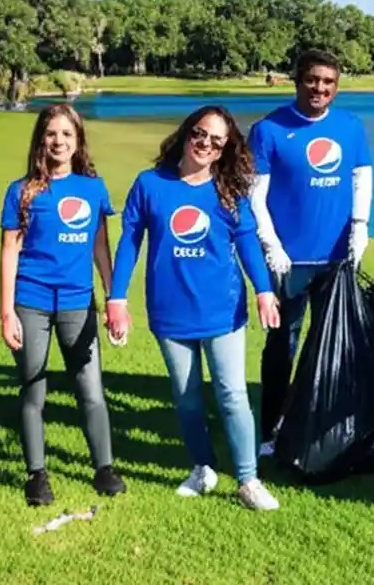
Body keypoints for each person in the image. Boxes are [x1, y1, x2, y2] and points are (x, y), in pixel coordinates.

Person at [106, 105, 282, 510]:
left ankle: (248, 480)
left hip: (222, 309)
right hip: (170, 311)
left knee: (233, 394)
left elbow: (248, 243)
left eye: (216, 140)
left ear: (223, 150)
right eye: (200, 134)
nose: (205, 143)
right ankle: (203, 467)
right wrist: (117, 298)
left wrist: (263, 290)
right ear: (187, 133)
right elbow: (130, 241)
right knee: (186, 398)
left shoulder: (227, 189)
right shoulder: (150, 184)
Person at [0, 102, 126, 506]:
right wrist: (5, 313)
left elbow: (101, 247)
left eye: (67, 134)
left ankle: (104, 468)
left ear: (78, 141)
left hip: (78, 303)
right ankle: (37, 475)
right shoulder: (21, 190)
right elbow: (9, 252)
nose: (59, 141)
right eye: (51, 134)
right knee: (34, 390)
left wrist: (112, 298)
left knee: (91, 389)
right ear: (41, 139)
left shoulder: (93, 188)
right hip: (30, 301)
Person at [247, 49, 373, 452]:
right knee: (283, 344)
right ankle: (271, 429)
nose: (320, 88)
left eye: (328, 82)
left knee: (332, 345)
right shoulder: (268, 130)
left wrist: (361, 226)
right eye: (312, 80)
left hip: (336, 261)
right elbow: (255, 197)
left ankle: (319, 426)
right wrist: (271, 244)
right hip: (289, 261)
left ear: (336, 86)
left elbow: (361, 178)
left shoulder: (350, 127)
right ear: (297, 80)